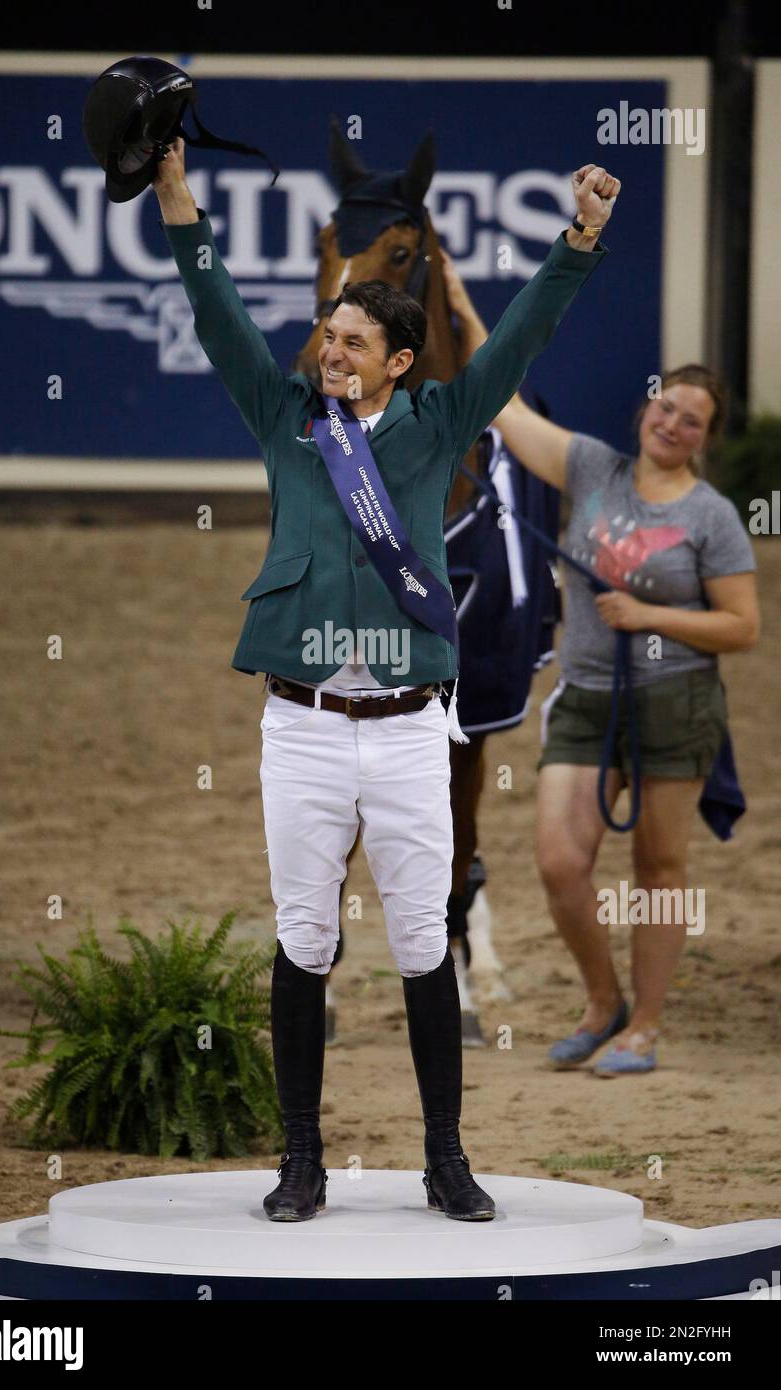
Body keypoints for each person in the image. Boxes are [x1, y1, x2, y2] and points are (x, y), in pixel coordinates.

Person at [154, 136, 616, 1217]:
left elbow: (523, 334)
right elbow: (216, 309)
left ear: (400, 360)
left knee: (420, 940)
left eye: (355, 341)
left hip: (413, 728)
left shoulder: (443, 422)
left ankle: (445, 1157)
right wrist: (177, 196)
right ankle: (301, 1158)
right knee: (304, 940)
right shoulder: (287, 423)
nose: (332, 351)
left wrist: (580, 238)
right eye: (328, 335)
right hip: (303, 727)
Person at [441, 250, 759, 1077]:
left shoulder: (711, 517)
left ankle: (644, 1025)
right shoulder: (589, 468)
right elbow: (503, 405)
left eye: (692, 419)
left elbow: (741, 628)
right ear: (645, 409)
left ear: (703, 438)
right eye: (665, 407)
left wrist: (650, 613)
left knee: (658, 866)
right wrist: (465, 310)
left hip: (674, 705)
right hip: (584, 700)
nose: (672, 424)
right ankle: (601, 999)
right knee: (557, 860)